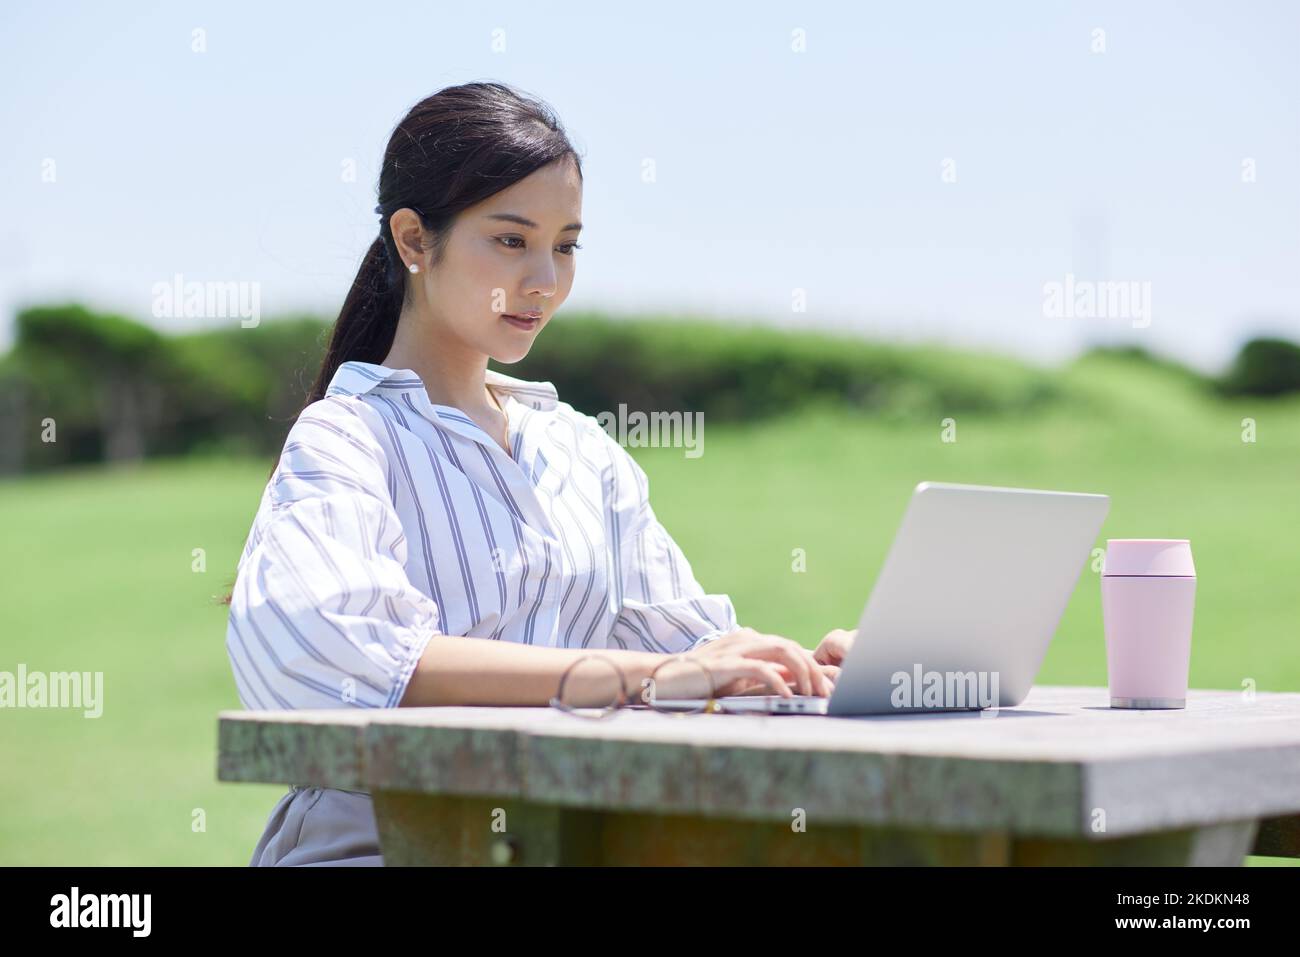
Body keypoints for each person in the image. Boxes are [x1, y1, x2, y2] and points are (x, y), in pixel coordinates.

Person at [223, 81, 855, 866]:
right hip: (382, 842)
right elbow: (336, 652)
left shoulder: (581, 450)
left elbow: (686, 644)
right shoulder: (347, 438)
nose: (545, 281)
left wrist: (800, 667)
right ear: (416, 240)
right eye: (512, 241)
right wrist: (656, 676)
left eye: (566, 245)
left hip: (557, 838)